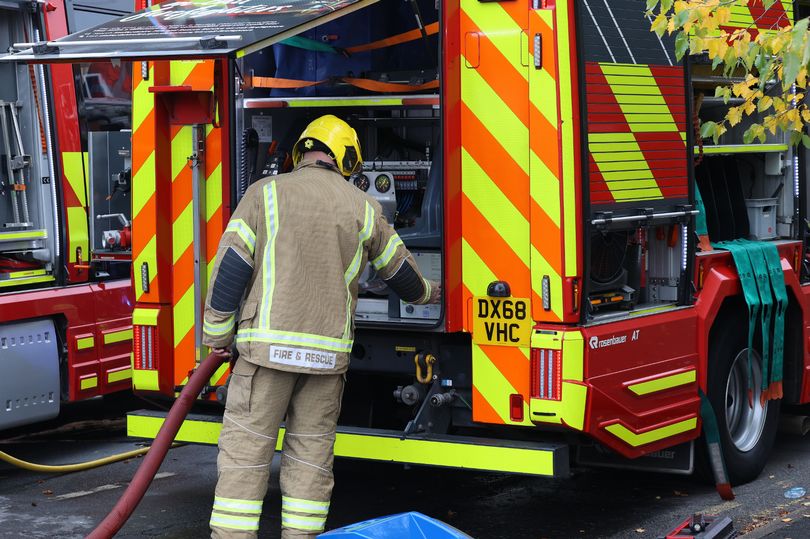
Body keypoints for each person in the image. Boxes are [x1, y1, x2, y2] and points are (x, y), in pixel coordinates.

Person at [202, 114, 440, 538]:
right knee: (310, 460)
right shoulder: (362, 206)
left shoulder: (263, 194)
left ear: (301, 152)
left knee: (245, 457)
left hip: (265, 357)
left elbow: (231, 269)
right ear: (347, 160)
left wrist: (218, 335)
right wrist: (431, 293)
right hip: (326, 362)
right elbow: (401, 275)